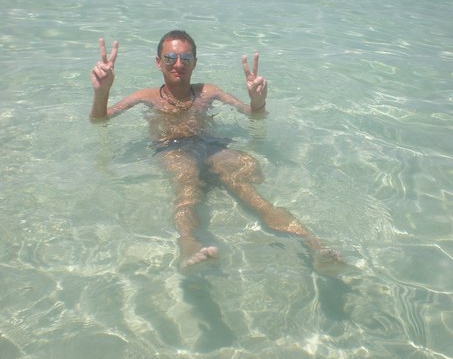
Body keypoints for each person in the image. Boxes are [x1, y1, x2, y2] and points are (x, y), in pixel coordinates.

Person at [90, 30, 341, 271]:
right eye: (170, 57)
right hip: (172, 150)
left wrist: (258, 102)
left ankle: (315, 246)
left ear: (195, 63)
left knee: (253, 196)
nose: (178, 64)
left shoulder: (208, 92)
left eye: (186, 58)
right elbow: (100, 120)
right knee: (187, 185)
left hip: (210, 147)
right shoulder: (146, 96)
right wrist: (102, 92)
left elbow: (252, 114)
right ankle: (189, 246)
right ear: (158, 62)